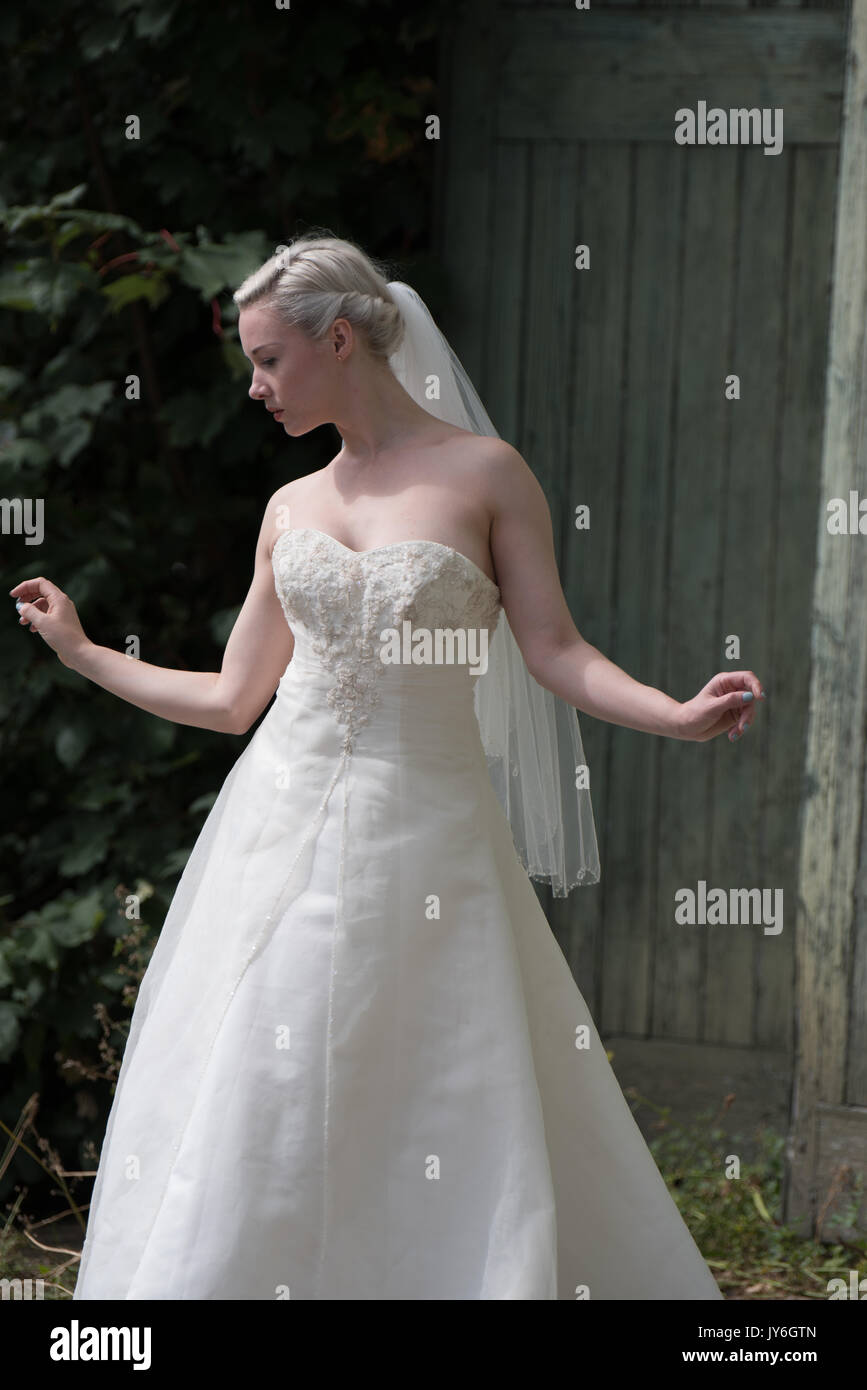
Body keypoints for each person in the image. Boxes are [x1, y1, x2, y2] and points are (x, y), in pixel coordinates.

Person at [11, 231, 763, 1299]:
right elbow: (233, 701)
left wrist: (675, 715)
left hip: (433, 833)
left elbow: (555, 650)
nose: (257, 386)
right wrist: (84, 652)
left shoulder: (486, 475)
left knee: (440, 1081)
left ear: (342, 337)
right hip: (276, 832)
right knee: (262, 1080)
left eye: (270, 360)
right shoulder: (290, 507)